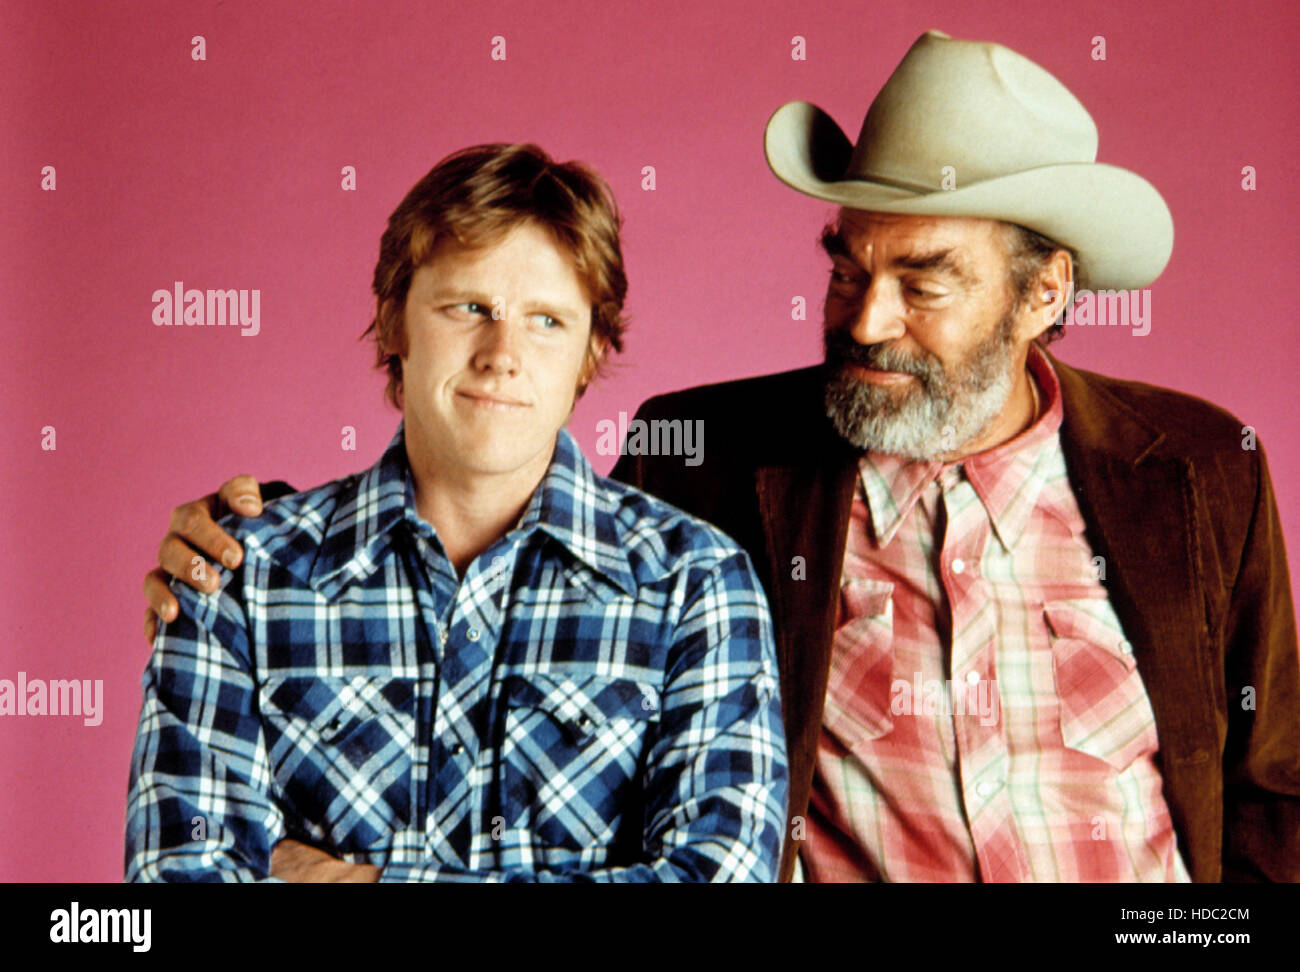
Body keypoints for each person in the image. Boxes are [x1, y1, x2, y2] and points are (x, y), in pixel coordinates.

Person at [142, 32, 1300, 882]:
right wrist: (245, 541)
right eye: (847, 265)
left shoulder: (1197, 469)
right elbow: (478, 508)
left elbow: (1270, 797)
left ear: (1044, 292)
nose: (862, 320)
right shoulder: (712, 467)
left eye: (923, 280)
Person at [125, 142, 788, 882]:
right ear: (393, 323)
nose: (502, 353)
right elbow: (175, 878)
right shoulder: (241, 576)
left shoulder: (695, 585)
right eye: (468, 307)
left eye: (547, 322)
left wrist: (360, 882)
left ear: (591, 355)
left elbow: (720, 876)